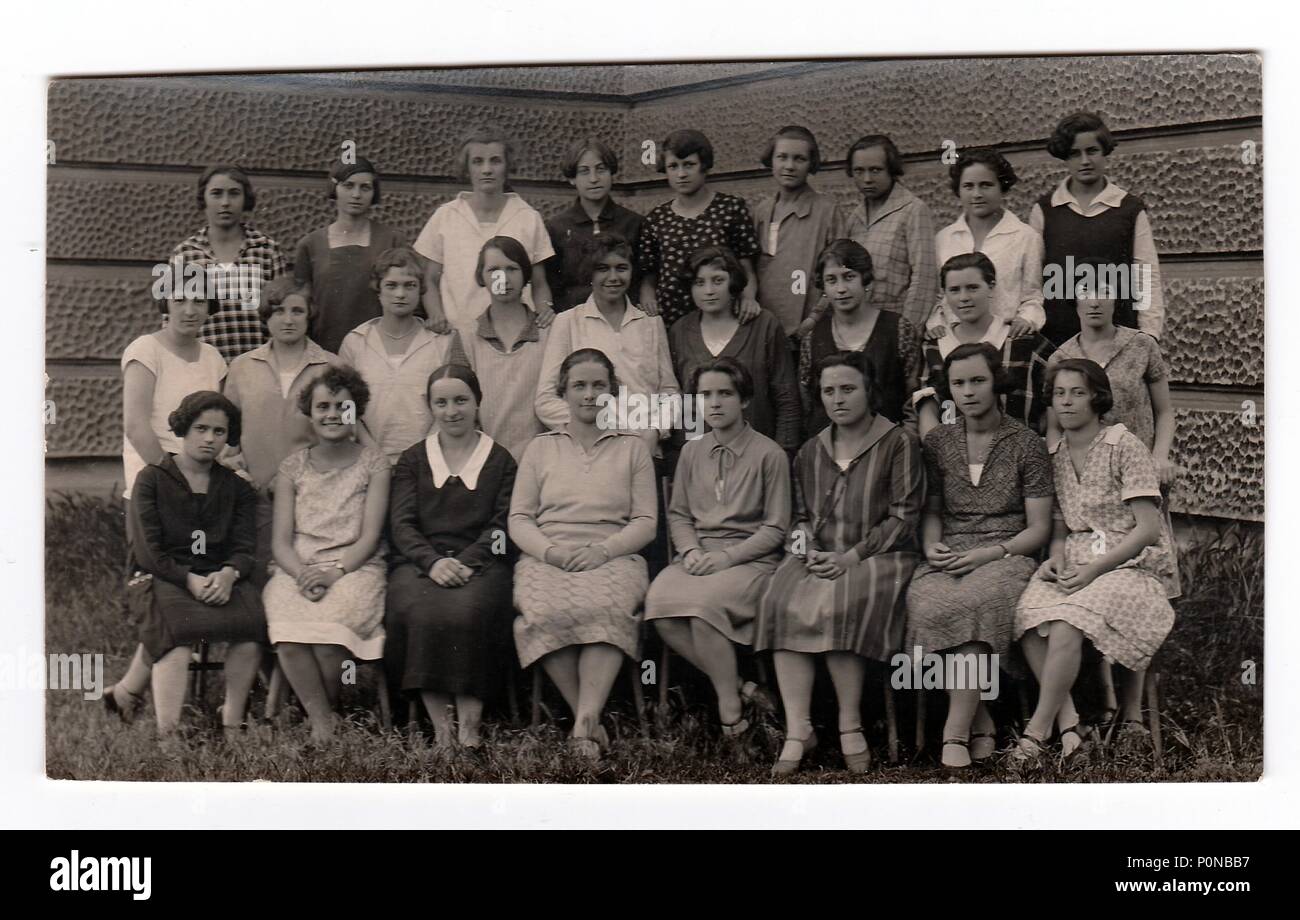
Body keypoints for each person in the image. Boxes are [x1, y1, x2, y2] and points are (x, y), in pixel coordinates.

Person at [755, 351, 923, 775]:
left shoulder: (898, 441)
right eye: (828, 391)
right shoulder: (811, 451)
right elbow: (798, 518)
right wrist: (806, 547)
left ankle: (850, 724)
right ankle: (798, 728)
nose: (838, 399)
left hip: (881, 557)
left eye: (848, 389)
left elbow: (904, 516)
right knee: (780, 596)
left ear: (870, 391)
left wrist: (851, 557)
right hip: (821, 554)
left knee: (838, 600)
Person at [1012, 359, 1176, 762]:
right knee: (1028, 617)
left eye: (1077, 393)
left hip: (1131, 563)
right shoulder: (1056, 454)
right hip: (1078, 559)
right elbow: (1061, 527)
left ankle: (1035, 733)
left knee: (1068, 621)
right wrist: (1053, 558)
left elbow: (1147, 530)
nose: (1066, 403)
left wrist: (1094, 571)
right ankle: (1069, 725)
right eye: (1059, 394)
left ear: (1097, 398)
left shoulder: (1123, 445)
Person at [903, 343, 1054, 768]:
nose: (968, 392)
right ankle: (982, 720)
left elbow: (1039, 529)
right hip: (951, 551)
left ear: (996, 383)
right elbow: (932, 509)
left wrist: (991, 553)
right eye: (958, 383)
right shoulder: (939, 442)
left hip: (1008, 555)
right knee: (927, 605)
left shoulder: (1026, 443)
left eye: (977, 381)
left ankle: (954, 733)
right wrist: (932, 543)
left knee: (976, 605)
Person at [509, 349, 657, 760]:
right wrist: (551, 553)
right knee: (542, 610)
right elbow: (519, 518)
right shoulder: (540, 448)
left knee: (608, 606)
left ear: (614, 392)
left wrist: (604, 550)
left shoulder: (633, 447)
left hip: (614, 554)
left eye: (599, 386)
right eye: (579, 386)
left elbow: (646, 521)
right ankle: (586, 721)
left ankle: (584, 725)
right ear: (563, 392)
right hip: (549, 554)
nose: (590, 395)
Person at [645, 358, 791, 738]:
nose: (714, 403)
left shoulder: (769, 454)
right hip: (699, 556)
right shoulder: (692, 453)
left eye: (725, 393)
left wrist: (726, 558)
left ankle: (731, 714)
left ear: (743, 400)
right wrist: (691, 551)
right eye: (705, 395)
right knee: (659, 606)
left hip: (750, 560)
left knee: (702, 612)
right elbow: (678, 515)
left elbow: (775, 527)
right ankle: (744, 687)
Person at [102, 290, 229, 720]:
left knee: (182, 590)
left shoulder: (213, 358)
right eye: (180, 299)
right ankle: (144, 707)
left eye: (200, 300)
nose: (190, 309)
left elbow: (216, 426)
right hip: (153, 491)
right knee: (163, 586)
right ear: (165, 304)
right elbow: (137, 426)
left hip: (201, 492)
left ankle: (126, 691)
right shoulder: (144, 350)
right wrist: (175, 483)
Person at [116, 391, 267, 735]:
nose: (210, 439)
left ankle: (231, 718)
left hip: (218, 574)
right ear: (184, 429)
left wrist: (230, 573)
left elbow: (245, 547)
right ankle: (168, 733)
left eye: (219, 432)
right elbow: (149, 552)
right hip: (158, 575)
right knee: (178, 633)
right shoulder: (152, 479)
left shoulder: (235, 488)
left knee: (253, 624)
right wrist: (189, 579)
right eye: (201, 429)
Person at [385, 365, 517, 750]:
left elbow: (502, 527)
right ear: (430, 407)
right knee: (420, 611)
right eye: (440, 403)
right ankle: (442, 730)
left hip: (483, 565)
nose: (452, 411)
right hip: (420, 564)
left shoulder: (500, 459)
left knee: (470, 610)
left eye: (461, 400)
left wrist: (468, 562)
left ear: (478, 402)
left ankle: (470, 728)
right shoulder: (413, 459)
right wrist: (433, 562)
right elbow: (402, 525)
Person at [262, 365, 391, 743]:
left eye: (341, 406)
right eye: (323, 407)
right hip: (297, 567)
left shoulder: (374, 464)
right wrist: (303, 573)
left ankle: (325, 711)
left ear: (357, 411)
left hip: (355, 568)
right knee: (288, 628)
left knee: (327, 635)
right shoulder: (292, 467)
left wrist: (334, 572)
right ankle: (323, 722)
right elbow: (281, 542)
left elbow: (370, 537)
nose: (332, 415)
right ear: (310, 412)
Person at [223, 277, 338, 587]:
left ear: (309, 315)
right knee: (259, 575)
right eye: (278, 311)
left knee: (303, 577)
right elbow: (228, 436)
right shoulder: (242, 367)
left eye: (297, 311)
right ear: (266, 317)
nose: (288, 320)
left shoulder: (332, 366)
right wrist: (234, 463)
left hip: (313, 497)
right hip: (256, 496)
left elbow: (344, 436)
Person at [536, 233, 679, 460]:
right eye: (603, 269)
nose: (613, 277)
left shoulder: (651, 323)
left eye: (621, 268)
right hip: (587, 451)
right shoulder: (568, 322)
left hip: (645, 450)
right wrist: (592, 424)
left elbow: (670, 392)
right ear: (590, 273)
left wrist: (655, 430)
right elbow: (545, 401)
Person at [1029, 112, 1165, 346]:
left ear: (1105, 152)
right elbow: (1032, 280)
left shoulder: (1128, 209)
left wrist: (1150, 334)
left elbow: (1146, 275)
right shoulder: (1045, 210)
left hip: (1119, 335)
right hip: (1059, 339)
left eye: (1092, 151)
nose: (1084, 161)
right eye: (1074, 153)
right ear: (1065, 157)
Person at [413, 125, 556, 332]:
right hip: (459, 332)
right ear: (467, 168)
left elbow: (540, 283)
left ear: (507, 167)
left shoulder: (528, 217)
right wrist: (437, 315)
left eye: (495, 161)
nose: (487, 169)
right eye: (478, 162)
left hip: (515, 335)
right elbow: (429, 279)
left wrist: (545, 311)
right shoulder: (446, 216)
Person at [338, 247, 467, 463]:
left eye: (409, 286)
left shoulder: (441, 342)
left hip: (428, 460)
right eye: (391, 285)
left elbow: (452, 403)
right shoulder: (355, 342)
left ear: (420, 291)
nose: (400, 294)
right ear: (378, 290)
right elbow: (344, 405)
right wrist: (370, 451)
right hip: (366, 459)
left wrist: (423, 454)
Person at [669, 246, 801, 454]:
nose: (709, 290)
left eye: (718, 280)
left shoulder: (764, 326)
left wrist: (784, 452)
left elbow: (786, 397)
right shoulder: (680, 332)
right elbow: (682, 403)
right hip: (700, 458)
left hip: (757, 456)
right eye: (699, 283)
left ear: (733, 282)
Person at [914, 253, 1055, 438]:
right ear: (945, 294)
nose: (964, 297)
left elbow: (1057, 397)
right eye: (954, 290)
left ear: (991, 287)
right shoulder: (933, 347)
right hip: (953, 457)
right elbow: (927, 410)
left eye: (972, 288)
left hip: (1019, 457)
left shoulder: (1023, 341)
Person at [636, 129, 762, 328]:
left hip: (723, 317)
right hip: (671, 321)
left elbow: (746, 266)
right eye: (673, 166)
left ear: (704, 166)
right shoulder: (656, 218)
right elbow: (649, 276)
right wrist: (648, 301)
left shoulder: (730, 209)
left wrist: (748, 298)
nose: (681, 174)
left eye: (689, 165)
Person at [799, 239, 920, 434]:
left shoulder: (898, 329)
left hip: (887, 448)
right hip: (830, 450)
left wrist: (904, 442)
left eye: (849, 277)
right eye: (832, 280)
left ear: (866, 280)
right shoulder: (813, 339)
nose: (841, 289)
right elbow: (807, 404)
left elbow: (914, 397)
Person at [168, 164, 287, 361]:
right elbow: (170, 321)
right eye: (216, 194)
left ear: (245, 199)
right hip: (202, 367)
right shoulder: (185, 254)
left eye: (234, 194)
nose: (225, 202)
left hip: (256, 367)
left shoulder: (267, 250)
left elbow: (281, 315)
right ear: (203, 198)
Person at [924, 147, 1045, 339]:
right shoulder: (944, 239)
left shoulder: (1025, 237)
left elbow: (1032, 295)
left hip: (1006, 337)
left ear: (1002, 187)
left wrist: (1026, 320)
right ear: (958, 190)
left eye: (986, 185)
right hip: (955, 340)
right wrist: (936, 324)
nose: (977, 194)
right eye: (968, 186)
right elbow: (939, 298)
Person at [292, 155, 406, 354]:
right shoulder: (310, 245)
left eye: (365, 188)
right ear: (334, 188)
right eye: (348, 186)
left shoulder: (392, 241)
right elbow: (300, 307)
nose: (356, 194)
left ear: (374, 193)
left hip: (380, 351)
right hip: (324, 350)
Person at [455, 237, 549, 462]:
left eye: (512, 269)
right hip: (485, 460)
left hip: (542, 459)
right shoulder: (467, 335)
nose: (503, 278)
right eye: (494, 270)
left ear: (526, 275)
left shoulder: (549, 332)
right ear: (481, 277)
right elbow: (460, 401)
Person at [833, 134, 937, 335]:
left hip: (896, 325)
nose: (867, 179)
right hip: (860, 327)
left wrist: (907, 332)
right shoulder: (854, 218)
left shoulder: (913, 210)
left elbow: (924, 277)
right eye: (859, 171)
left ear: (891, 170)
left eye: (875, 170)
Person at [752, 125, 842, 339]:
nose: (789, 166)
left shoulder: (827, 211)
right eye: (782, 157)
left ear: (811, 164)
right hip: (765, 328)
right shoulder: (761, 212)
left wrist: (815, 317)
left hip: (811, 327)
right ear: (771, 160)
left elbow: (839, 272)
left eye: (799, 159)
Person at [544, 137, 644, 312]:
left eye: (601, 169)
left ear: (611, 173)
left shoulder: (634, 223)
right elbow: (552, 285)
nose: (594, 179)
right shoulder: (556, 228)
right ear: (572, 179)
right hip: (573, 320)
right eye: (584, 171)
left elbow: (641, 279)